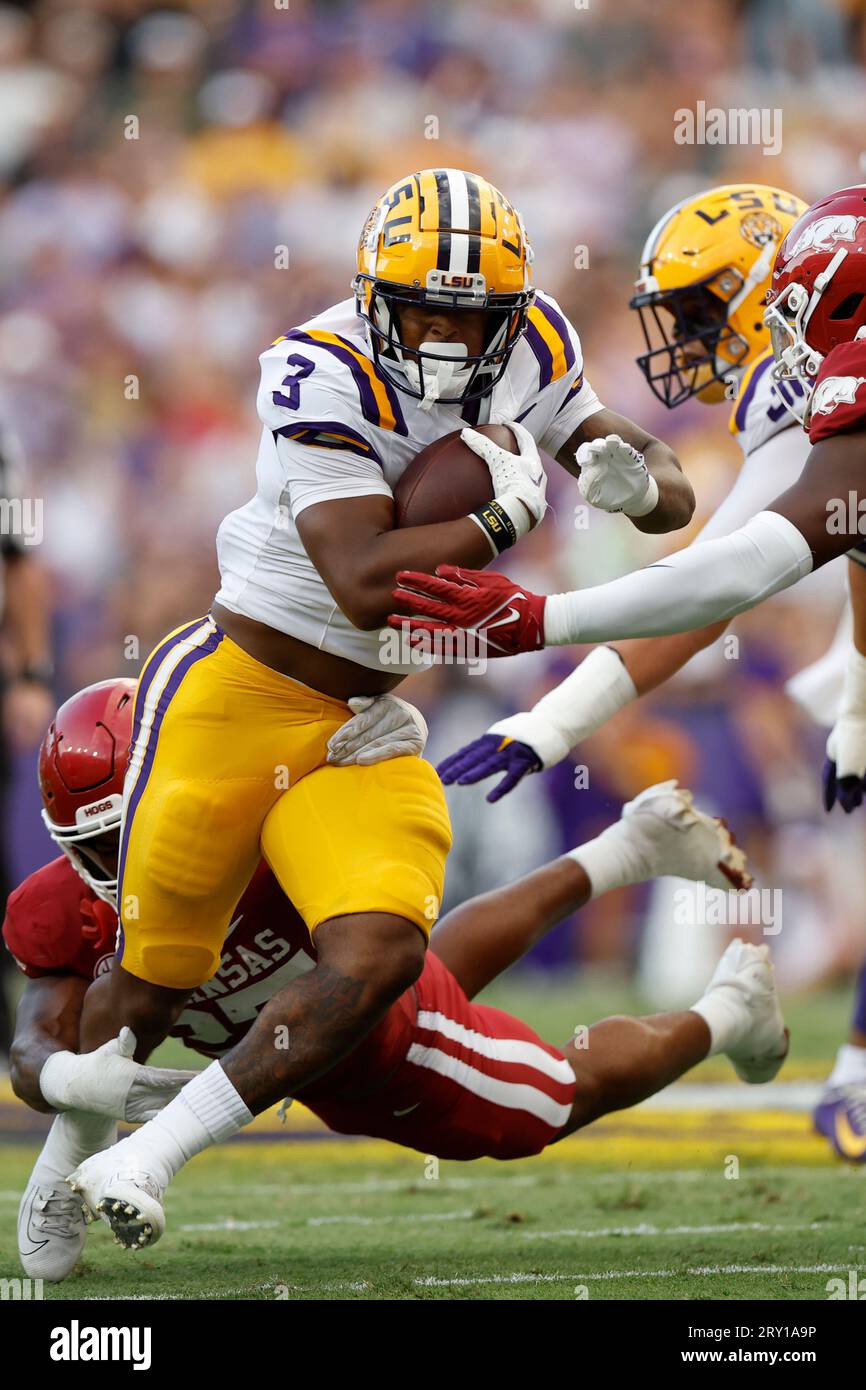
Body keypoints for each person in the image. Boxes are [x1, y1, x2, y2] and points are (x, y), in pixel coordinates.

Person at [67, 169, 692, 1245]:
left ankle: (153, 1154)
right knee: (153, 973)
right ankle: (59, 1172)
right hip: (240, 692)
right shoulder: (318, 363)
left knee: (381, 950)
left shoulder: (535, 341)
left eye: (470, 314)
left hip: (363, 716)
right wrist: (499, 515)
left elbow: (665, 480)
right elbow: (360, 576)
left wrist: (641, 483)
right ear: (371, 294)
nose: (448, 339)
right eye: (425, 309)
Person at [7, 685, 782, 1272]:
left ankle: (731, 1011)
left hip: (382, 1043)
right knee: (439, 963)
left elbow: (375, 919)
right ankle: (633, 847)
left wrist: (369, 750)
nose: (137, 857)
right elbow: (34, 1054)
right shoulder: (58, 910)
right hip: (294, 1062)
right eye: (109, 845)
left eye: (147, 825)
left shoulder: (268, 815)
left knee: (548, 1100)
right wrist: (84, 1085)